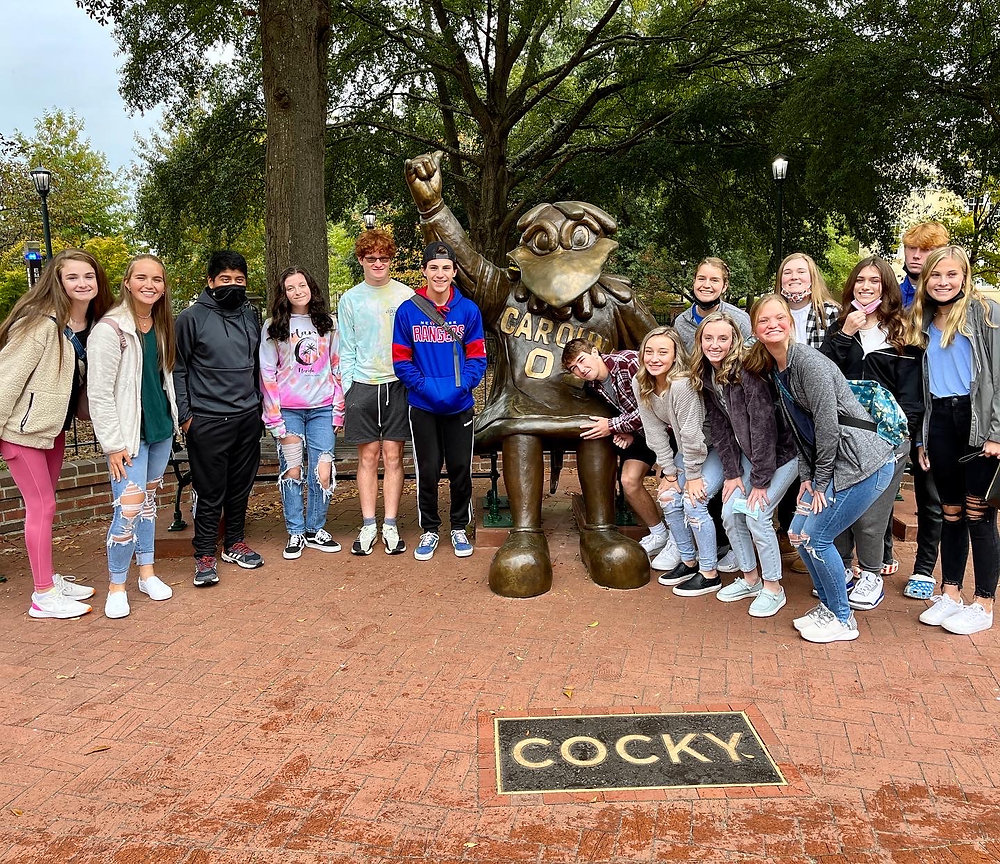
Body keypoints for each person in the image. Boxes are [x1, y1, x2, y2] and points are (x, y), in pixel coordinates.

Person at [744, 295, 894, 643]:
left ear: (790, 323)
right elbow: (801, 430)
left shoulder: (807, 363)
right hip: (836, 466)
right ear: (755, 330)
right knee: (798, 533)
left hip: (864, 465)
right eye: (764, 321)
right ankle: (829, 606)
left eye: (779, 318)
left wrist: (822, 482)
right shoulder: (778, 368)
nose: (773, 325)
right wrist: (808, 479)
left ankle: (843, 619)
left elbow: (827, 426)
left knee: (815, 537)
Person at [0, 249, 113, 618]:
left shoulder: (88, 326)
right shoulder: (37, 324)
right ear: (58, 282)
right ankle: (43, 595)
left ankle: (47, 576)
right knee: (42, 506)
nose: (83, 283)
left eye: (89, 277)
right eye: (73, 277)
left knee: (48, 505)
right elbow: (6, 381)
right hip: (22, 433)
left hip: (51, 430)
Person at [820, 256, 922, 609]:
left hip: (886, 437)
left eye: (874, 281)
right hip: (845, 437)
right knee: (843, 507)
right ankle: (845, 569)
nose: (866, 286)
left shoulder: (902, 333)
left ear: (886, 288)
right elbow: (821, 375)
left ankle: (871, 574)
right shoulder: (839, 329)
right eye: (860, 280)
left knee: (872, 512)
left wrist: (902, 437)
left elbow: (911, 393)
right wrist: (846, 333)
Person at [908, 246, 1000, 635]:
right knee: (951, 512)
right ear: (925, 280)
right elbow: (927, 388)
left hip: (976, 420)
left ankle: (984, 602)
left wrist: (996, 432)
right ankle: (950, 594)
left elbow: (997, 373)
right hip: (941, 420)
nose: (943, 282)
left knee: (979, 512)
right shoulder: (926, 320)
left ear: (964, 276)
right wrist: (924, 437)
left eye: (951, 275)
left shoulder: (985, 314)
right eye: (935, 276)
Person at [88, 254, 179, 618]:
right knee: (127, 510)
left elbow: (164, 379)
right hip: (127, 438)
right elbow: (99, 393)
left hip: (159, 431)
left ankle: (147, 573)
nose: (150, 285)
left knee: (148, 505)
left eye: (157, 279)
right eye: (141, 277)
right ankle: (116, 585)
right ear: (127, 282)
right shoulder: (110, 330)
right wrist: (112, 444)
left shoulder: (160, 325)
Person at [690, 313, 799, 617]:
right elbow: (722, 429)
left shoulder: (746, 373)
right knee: (729, 512)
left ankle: (774, 588)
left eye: (723, 338)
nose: (715, 344)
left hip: (782, 454)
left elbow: (764, 428)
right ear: (700, 341)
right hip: (751, 458)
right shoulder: (709, 375)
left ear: (734, 340)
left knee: (757, 513)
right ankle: (751, 578)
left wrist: (760, 481)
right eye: (708, 338)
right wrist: (732, 474)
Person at [391, 241, 487, 560]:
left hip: (459, 404)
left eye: (446, 268)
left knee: (460, 468)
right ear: (424, 271)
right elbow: (401, 360)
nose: (440, 274)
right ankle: (430, 529)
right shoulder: (408, 311)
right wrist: (426, 387)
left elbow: (477, 357)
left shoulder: (469, 310)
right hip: (423, 405)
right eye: (434, 267)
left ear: (454, 272)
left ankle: (459, 526)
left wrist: (463, 387)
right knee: (428, 469)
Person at [174, 250, 263, 586]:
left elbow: (256, 364)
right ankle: (205, 554)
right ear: (210, 281)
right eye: (225, 279)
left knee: (240, 488)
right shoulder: (190, 318)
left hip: (246, 417)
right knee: (210, 492)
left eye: (239, 280)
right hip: (208, 420)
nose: (233, 285)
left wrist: (257, 408)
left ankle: (235, 543)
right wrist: (186, 417)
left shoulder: (249, 315)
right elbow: (178, 368)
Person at [560, 337, 678, 566]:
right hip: (643, 434)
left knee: (670, 489)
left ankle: (679, 542)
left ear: (595, 352)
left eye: (582, 361)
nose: (581, 370)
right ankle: (659, 533)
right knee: (629, 481)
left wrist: (612, 426)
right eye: (574, 368)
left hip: (669, 432)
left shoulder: (627, 362)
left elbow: (653, 406)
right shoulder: (594, 385)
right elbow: (632, 413)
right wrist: (627, 431)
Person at [633, 326, 726, 596]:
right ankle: (688, 561)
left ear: (675, 356)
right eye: (649, 352)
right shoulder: (642, 383)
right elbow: (653, 431)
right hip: (687, 451)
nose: (654, 358)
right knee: (668, 497)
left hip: (714, 449)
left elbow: (692, 433)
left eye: (663, 352)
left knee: (693, 501)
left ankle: (709, 573)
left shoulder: (683, 385)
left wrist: (692, 476)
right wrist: (671, 474)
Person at [260, 265, 345, 560]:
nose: (298, 292)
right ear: (283, 294)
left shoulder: (328, 324)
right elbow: (267, 372)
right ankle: (295, 531)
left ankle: (315, 528)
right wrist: (274, 418)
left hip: (322, 408)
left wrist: (338, 410)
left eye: (302, 285)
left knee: (322, 471)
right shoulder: (274, 326)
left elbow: (337, 367)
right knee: (293, 471)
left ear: (311, 287)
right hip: (288, 411)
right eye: (291, 288)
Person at [338, 229, 413, 555]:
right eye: (372, 259)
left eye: (384, 258)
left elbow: (415, 342)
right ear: (361, 261)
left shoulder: (407, 296)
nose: (378, 263)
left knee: (394, 456)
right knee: (368, 457)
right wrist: (348, 389)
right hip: (363, 387)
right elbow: (347, 348)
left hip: (398, 385)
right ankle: (369, 524)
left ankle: (391, 525)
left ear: (390, 259)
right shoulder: (351, 299)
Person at [897, 222, 949, 598]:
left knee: (931, 491)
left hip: (938, 408)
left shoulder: (950, 298)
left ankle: (925, 568)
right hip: (899, 404)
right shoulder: (891, 294)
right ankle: (880, 556)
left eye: (925, 251)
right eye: (911, 249)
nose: (916, 257)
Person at [672, 257, 751, 353]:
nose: (706, 285)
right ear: (694, 281)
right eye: (701, 279)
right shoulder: (681, 323)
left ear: (724, 286)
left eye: (714, 280)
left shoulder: (740, 320)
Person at [776, 253, 838, 349]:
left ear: (812, 278)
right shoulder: (772, 315)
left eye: (801, 272)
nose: (794, 277)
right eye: (787, 273)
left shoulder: (829, 312)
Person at [899, 221, 950, 310]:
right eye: (912, 248)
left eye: (925, 249)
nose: (916, 256)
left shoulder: (953, 297)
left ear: (940, 253)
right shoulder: (890, 296)